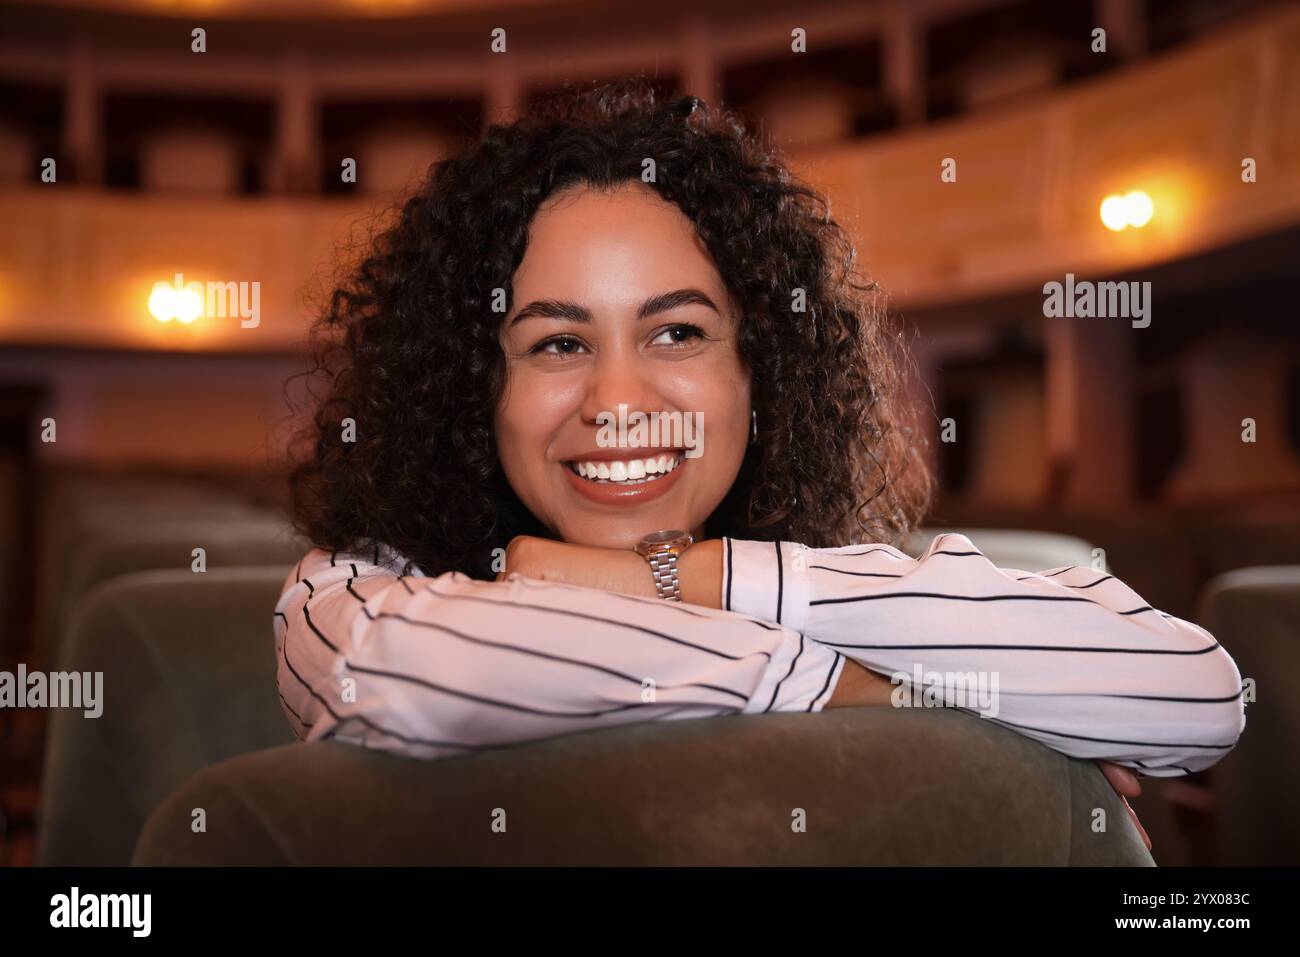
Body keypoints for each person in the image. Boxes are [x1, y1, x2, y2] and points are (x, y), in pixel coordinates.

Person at [278, 83, 1244, 849]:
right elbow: (407, 673)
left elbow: (1194, 694)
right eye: (557, 344)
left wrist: (687, 576)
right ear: (474, 387)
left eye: (678, 332)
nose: (618, 402)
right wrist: (876, 687)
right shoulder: (355, 584)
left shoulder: (828, 571)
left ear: (759, 371)